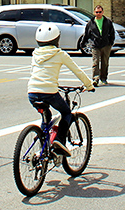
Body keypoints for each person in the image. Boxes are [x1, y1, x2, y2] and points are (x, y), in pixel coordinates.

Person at [28, 22, 94, 156]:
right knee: (66, 113)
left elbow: (35, 72)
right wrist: (89, 85)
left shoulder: (35, 53)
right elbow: (78, 71)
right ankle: (59, 140)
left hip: (32, 92)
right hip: (49, 92)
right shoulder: (60, 54)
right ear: (57, 39)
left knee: (46, 116)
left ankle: (43, 147)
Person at [83, 5, 115, 86]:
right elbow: (87, 34)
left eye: (100, 12)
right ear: (94, 13)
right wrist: (83, 43)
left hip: (106, 45)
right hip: (95, 45)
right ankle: (95, 79)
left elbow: (112, 33)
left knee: (105, 63)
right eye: (97, 12)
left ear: (102, 12)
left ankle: (103, 78)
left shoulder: (107, 21)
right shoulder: (91, 23)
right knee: (95, 62)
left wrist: (110, 42)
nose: (98, 13)